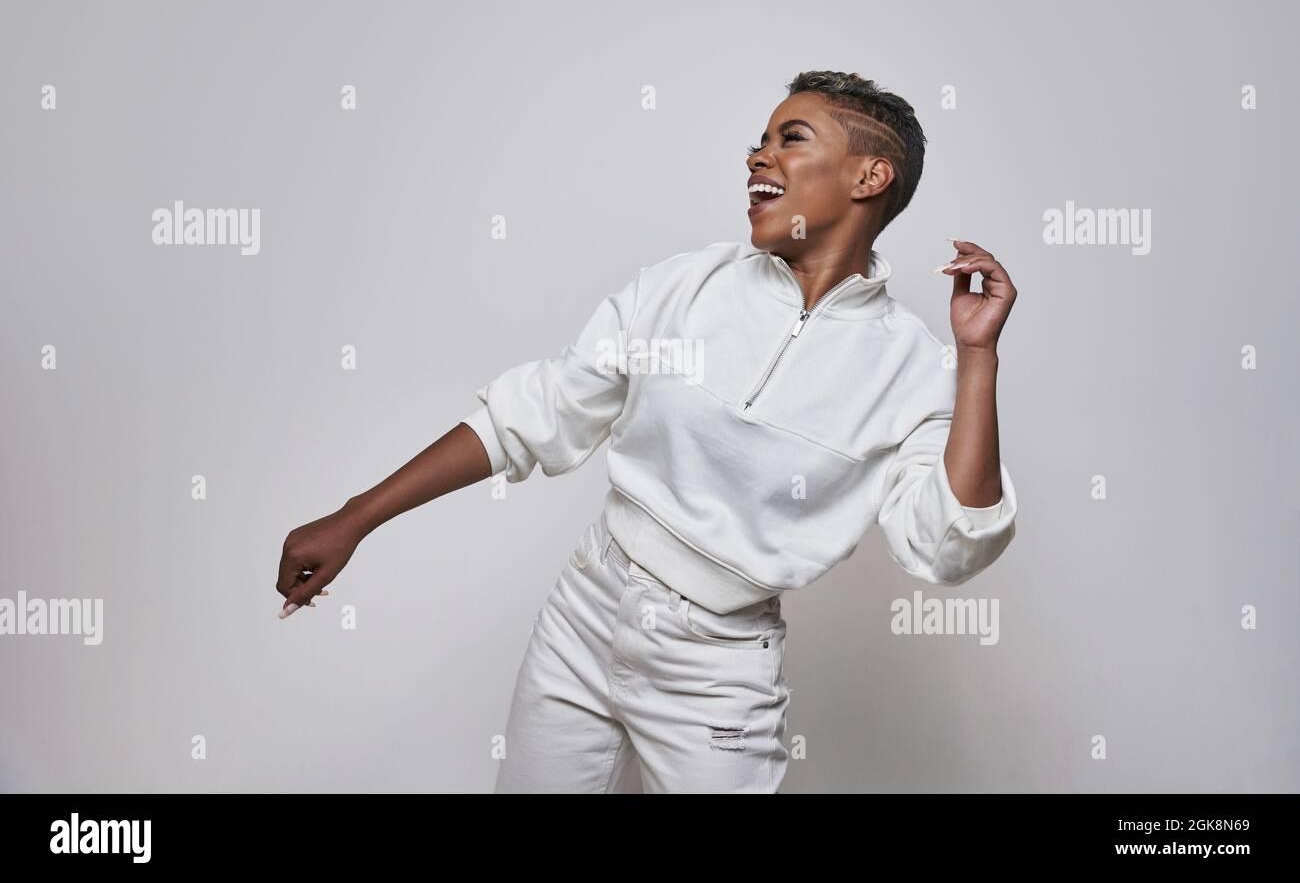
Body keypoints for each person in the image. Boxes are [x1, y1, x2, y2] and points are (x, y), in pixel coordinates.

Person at [275, 71, 1019, 793]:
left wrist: (976, 355)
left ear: (869, 177)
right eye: (758, 140)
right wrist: (356, 517)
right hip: (585, 616)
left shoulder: (914, 368)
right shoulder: (685, 286)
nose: (758, 156)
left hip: (718, 669)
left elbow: (948, 544)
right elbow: (533, 413)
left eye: (790, 138)